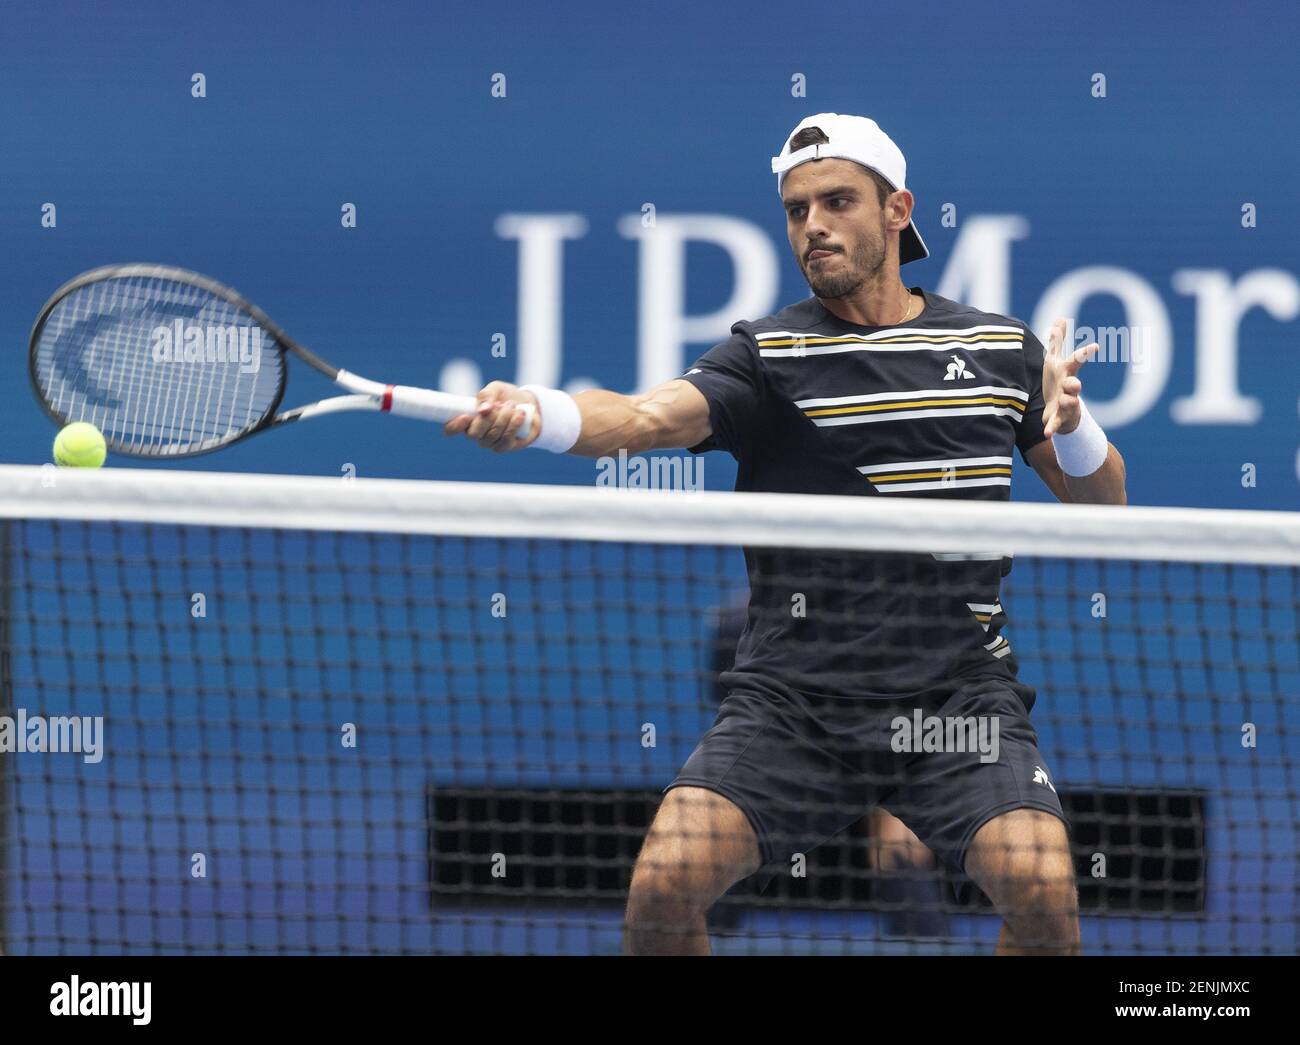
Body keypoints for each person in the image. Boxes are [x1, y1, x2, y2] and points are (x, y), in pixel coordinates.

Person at [446, 113, 1127, 955]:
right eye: (797, 209)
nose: (813, 225)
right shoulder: (766, 356)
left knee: (1045, 896)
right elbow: (643, 418)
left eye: (837, 201)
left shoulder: (997, 348)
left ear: (897, 209)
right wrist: (539, 415)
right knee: (662, 886)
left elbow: (1103, 509)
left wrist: (1075, 427)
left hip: (954, 707)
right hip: (795, 707)